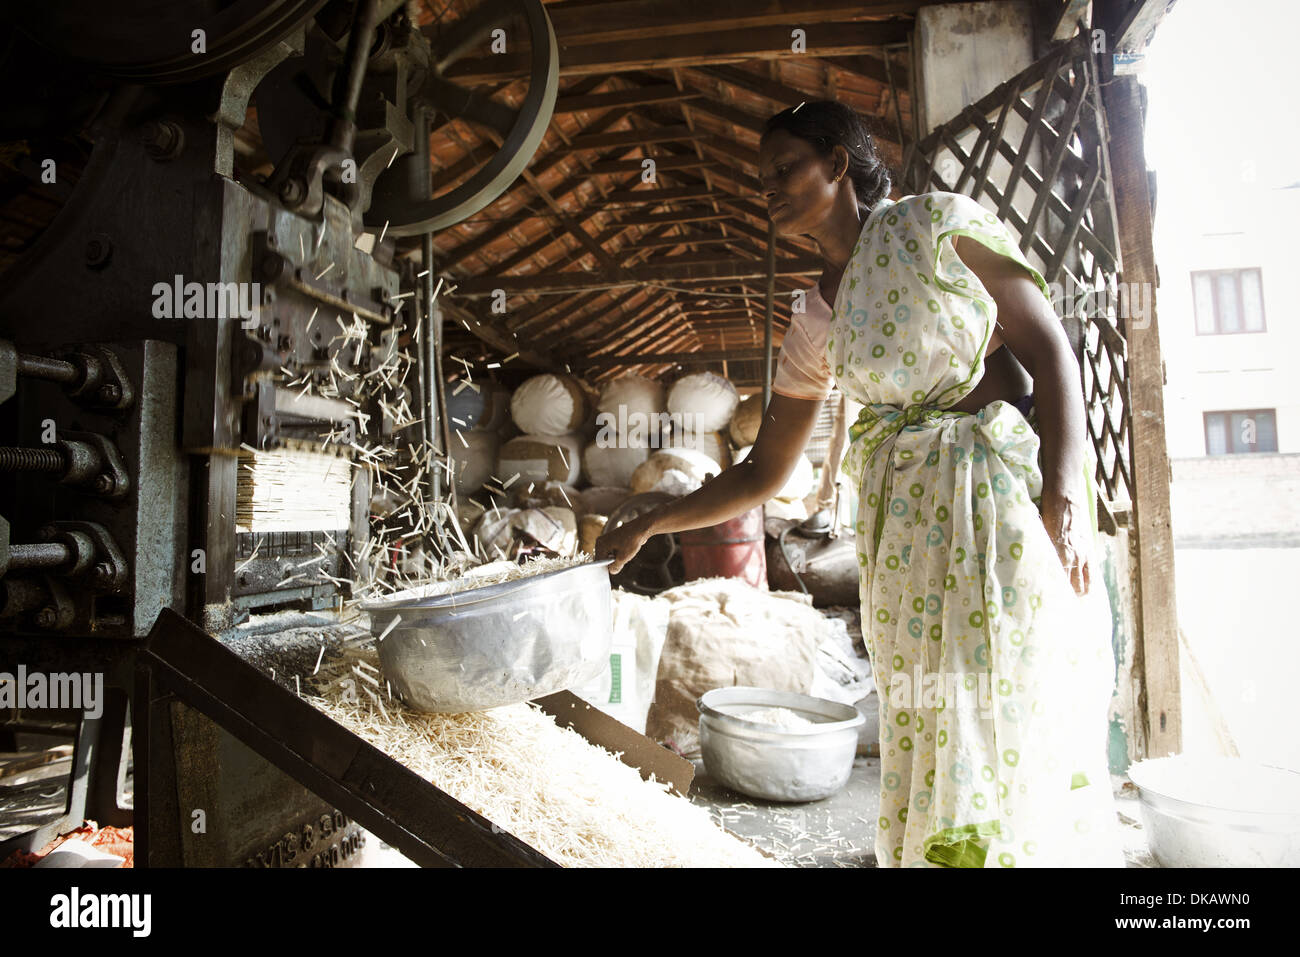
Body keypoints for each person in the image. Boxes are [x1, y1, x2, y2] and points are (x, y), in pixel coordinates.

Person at [594, 100, 1122, 868]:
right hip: (908, 540)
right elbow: (766, 470)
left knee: (1000, 712)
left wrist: (1063, 491)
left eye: (784, 168)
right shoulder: (815, 318)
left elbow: (1051, 350)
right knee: (934, 729)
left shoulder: (934, 226)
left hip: (991, 508)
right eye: (762, 178)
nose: (768, 188)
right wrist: (652, 520)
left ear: (838, 162)